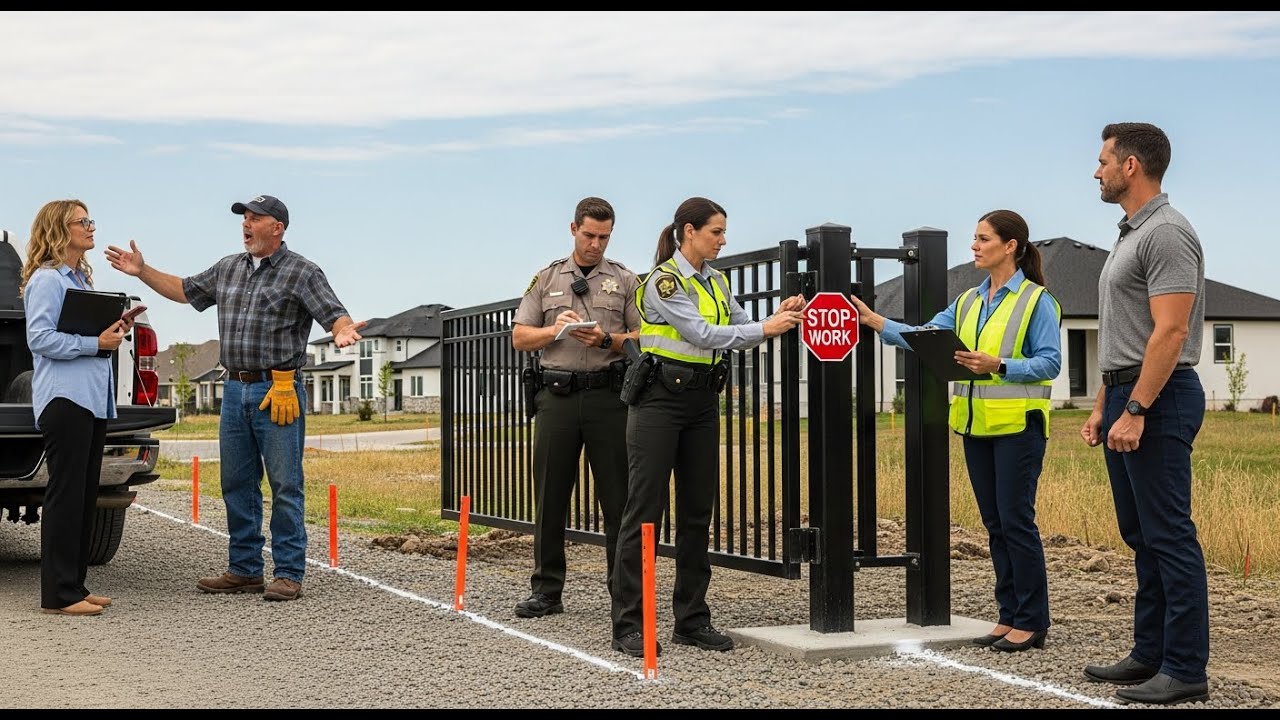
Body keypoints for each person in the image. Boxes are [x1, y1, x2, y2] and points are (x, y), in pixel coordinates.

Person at [104, 194, 366, 601]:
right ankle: (244, 570)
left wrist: (343, 330)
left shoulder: (302, 272)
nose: (246, 224)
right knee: (236, 482)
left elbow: (334, 314)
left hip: (277, 390)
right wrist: (142, 271)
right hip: (233, 389)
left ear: (277, 228)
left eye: (255, 218)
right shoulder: (228, 268)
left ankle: (289, 573)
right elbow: (184, 291)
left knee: (285, 484)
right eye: (244, 218)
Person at [850, 209, 1061, 654]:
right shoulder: (968, 302)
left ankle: (1032, 620)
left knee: (1016, 522)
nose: (974, 246)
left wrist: (998, 364)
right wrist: (876, 322)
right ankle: (1009, 615)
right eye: (975, 238)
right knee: (996, 525)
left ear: (1010, 246)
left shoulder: (1037, 301)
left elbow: (1050, 363)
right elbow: (923, 336)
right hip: (974, 426)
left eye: (983, 239)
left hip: (1018, 428)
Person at [609, 196, 805, 657]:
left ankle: (692, 620)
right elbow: (701, 333)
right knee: (644, 511)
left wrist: (776, 316)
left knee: (698, 513)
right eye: (716, 232)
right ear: (689, 232)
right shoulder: (665, 281)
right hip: (659, 402)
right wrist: (768, 329)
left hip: (700, 402)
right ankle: (629, 624)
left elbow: (741, 328)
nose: (723, 240)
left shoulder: (716, 281)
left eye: (723, 232)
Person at [1079, 123, 1210, 706]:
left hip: (1159, 397)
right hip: (1126, 393)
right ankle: (1149, 654)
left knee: (1169, 535)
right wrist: (1104, 404)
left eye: (1103, 160)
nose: (1097, 171)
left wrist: (1136, 408)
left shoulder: (1167, 233)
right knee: (1141, 535)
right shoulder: (1131, 233)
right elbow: (1126, 333)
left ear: (1130, 166)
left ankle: (1184, 669)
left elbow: (1171, 331)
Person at [510, 196, 640, 619]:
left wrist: (606, 339)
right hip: (557, 397)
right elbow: (519, 337)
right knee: (550, 496)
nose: (595, 244)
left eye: (604, 237)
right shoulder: (546, 278)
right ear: (573, 229)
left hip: (608, 397)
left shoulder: (625, 280)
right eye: (589, 235)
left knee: (618, 499)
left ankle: (623, 592)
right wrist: (554, 330)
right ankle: (547, 590)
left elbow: (643, 337)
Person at [20, 200, 134, 617]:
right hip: (65, 399)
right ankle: (58, 595)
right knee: (66, 495)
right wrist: (94, 343)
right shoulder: (47, 280)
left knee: (84, 496)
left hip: (90, 397)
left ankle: (76, 586)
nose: (91, 227)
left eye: (90, 220)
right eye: (82, 221)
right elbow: (40, 339)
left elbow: (83, 334)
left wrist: (114, 331)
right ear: (59, 229)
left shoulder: (80, 279)